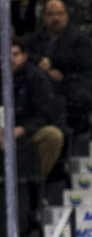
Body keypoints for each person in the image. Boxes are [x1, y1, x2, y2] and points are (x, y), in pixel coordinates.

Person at [23, 0, 92, 138]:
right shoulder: (33, 40)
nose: (55, 18)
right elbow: (25, 58)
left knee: (76, 97)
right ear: (44, 17)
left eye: (59, 13)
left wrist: (52, 62)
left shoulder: (80, 39)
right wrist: (44, 68)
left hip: (72, 84)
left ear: (66, 16)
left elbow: (84, 63)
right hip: (41, 86)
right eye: (50, 14)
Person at [6, 43, 66, 184]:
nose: (11, 59)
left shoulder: (36, 77)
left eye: (15, 54)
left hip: (29, 131)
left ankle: (36, 183)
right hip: (4, 131)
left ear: (24, 56)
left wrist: (22, 129)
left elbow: (45, 114)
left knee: (53, 135)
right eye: (5, 55)